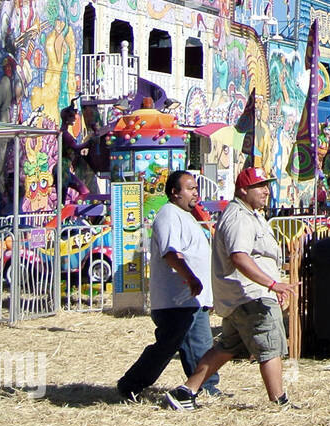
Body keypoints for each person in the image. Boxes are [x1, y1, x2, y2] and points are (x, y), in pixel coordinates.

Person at [165, 165, 297, 410]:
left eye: (266, 186)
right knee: (270, 345)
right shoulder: (238, 217)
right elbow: (239, 256)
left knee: (227, 347)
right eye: (259, 186)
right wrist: (272, 284)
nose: (265, 191)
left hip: (248, 295)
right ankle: (279, 402)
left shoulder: (252, 214)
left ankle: (186, 392)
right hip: (249, 295)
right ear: (243, 189)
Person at [118, 170, 224, 402]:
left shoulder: (188, 216)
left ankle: (207, 388)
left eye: (196, 188)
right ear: (175, 192)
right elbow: (171, 253)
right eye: (190, 188)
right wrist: (191, 278)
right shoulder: (168, 215)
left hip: (193, 299)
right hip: (175, 299)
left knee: (201, 345)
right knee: (167, 347)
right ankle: (131, 384)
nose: (195, 192)